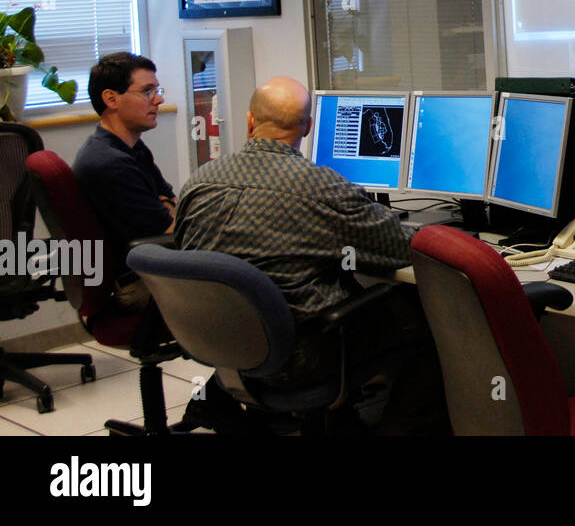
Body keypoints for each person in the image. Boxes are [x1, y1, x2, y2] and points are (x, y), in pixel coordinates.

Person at [174, 76, 446, 434]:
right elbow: (400, 249)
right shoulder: (320, 187)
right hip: (298, 359)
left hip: (219, 345)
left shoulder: (198, 181)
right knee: (430, 318)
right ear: (309, 127)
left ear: (250, 121)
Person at [73, 52, 174, 311]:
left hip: (154, 265)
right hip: (138, 282)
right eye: (147, 91)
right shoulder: (110, 164)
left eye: (157, 90)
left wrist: (165, 204)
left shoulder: (131, 148)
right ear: (111, 98)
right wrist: (165, 206)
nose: (159, 99)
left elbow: (170, 202)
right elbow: (171, 230)